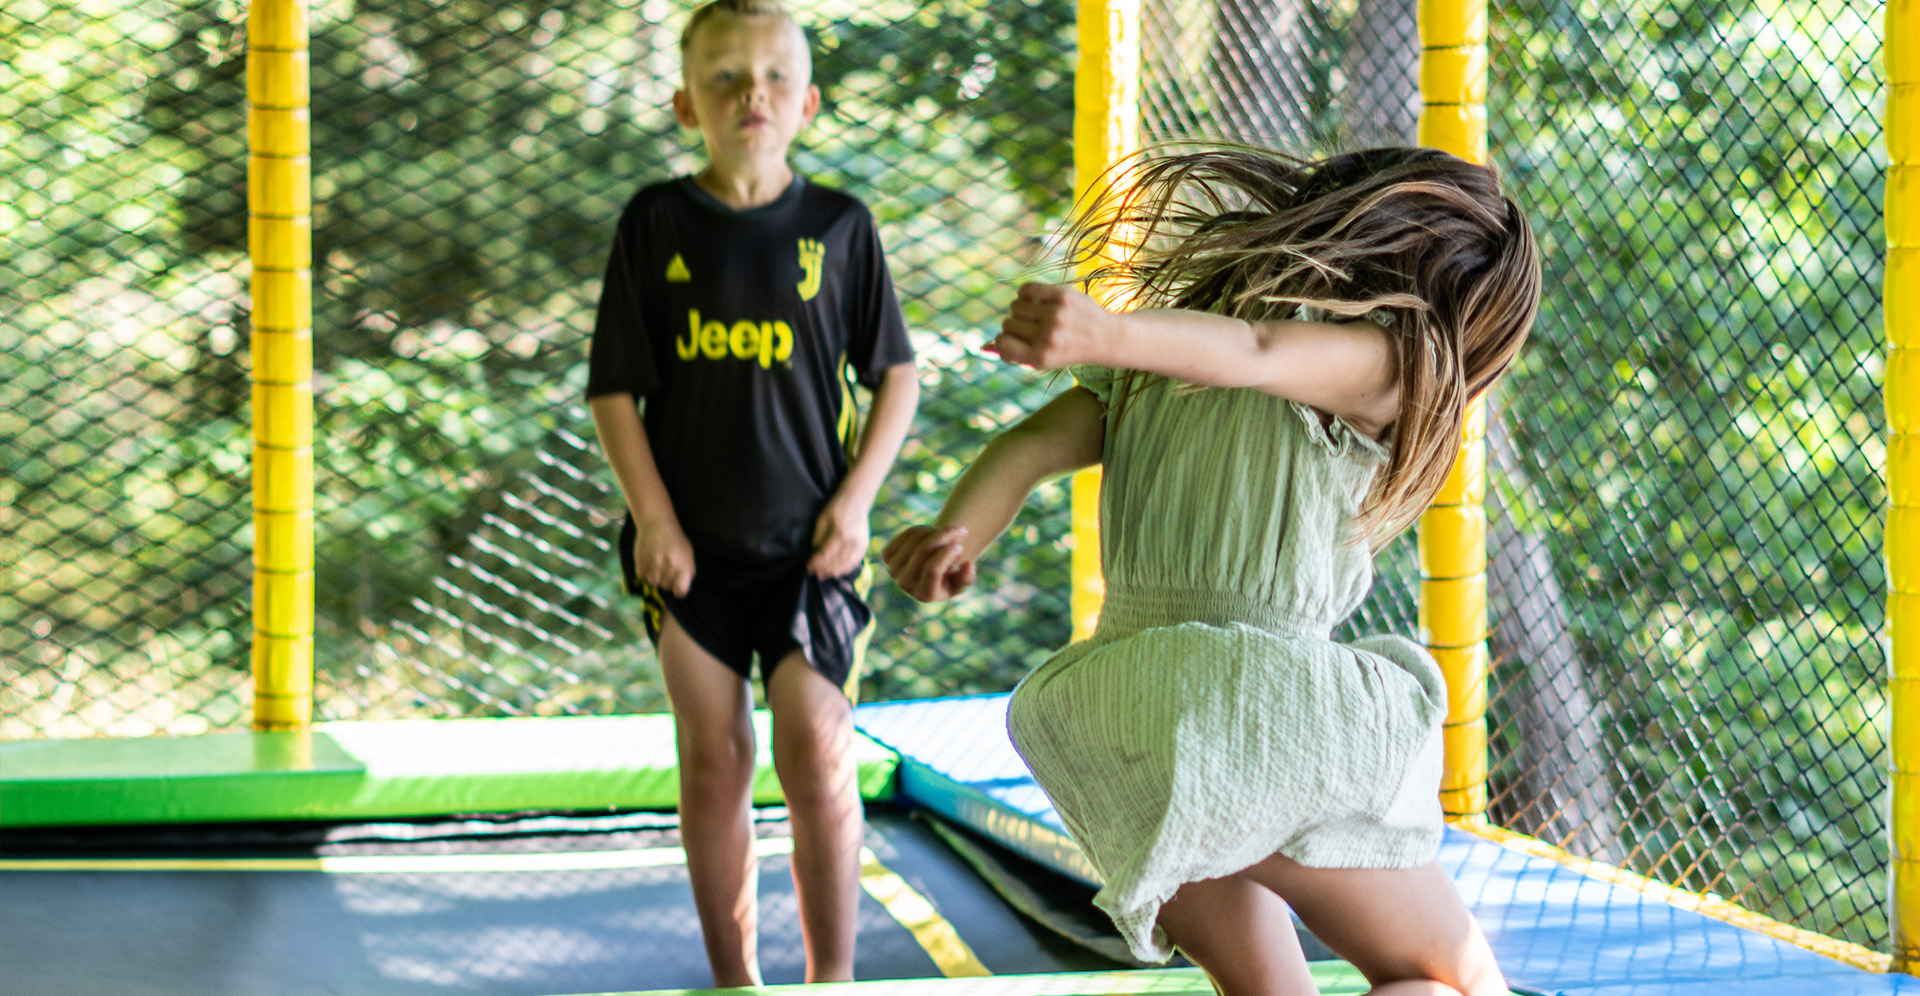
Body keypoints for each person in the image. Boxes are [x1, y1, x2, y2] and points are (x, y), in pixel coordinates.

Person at [884, 145, 1539, 996]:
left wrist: (957, 533)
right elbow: (1260, 350)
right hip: (1257, 713)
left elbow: (1030, 447)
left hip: (1134, 716)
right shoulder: (1389, 366)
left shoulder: (1151, 371)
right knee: (1454, 979)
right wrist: (1105, 333)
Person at [584, 0, 919, 984]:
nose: (751, 94)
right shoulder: (655, 222)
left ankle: (832, 978)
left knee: (816, 745)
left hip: (812, 552)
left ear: (808, 101)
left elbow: (896, 376)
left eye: (774, 77)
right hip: (691, 554)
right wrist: (653, 517)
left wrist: (857, 504)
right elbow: (616, 389)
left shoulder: (839, 227)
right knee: (715, 756)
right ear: (687, 103)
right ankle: (736, 977)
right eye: (725, 78)